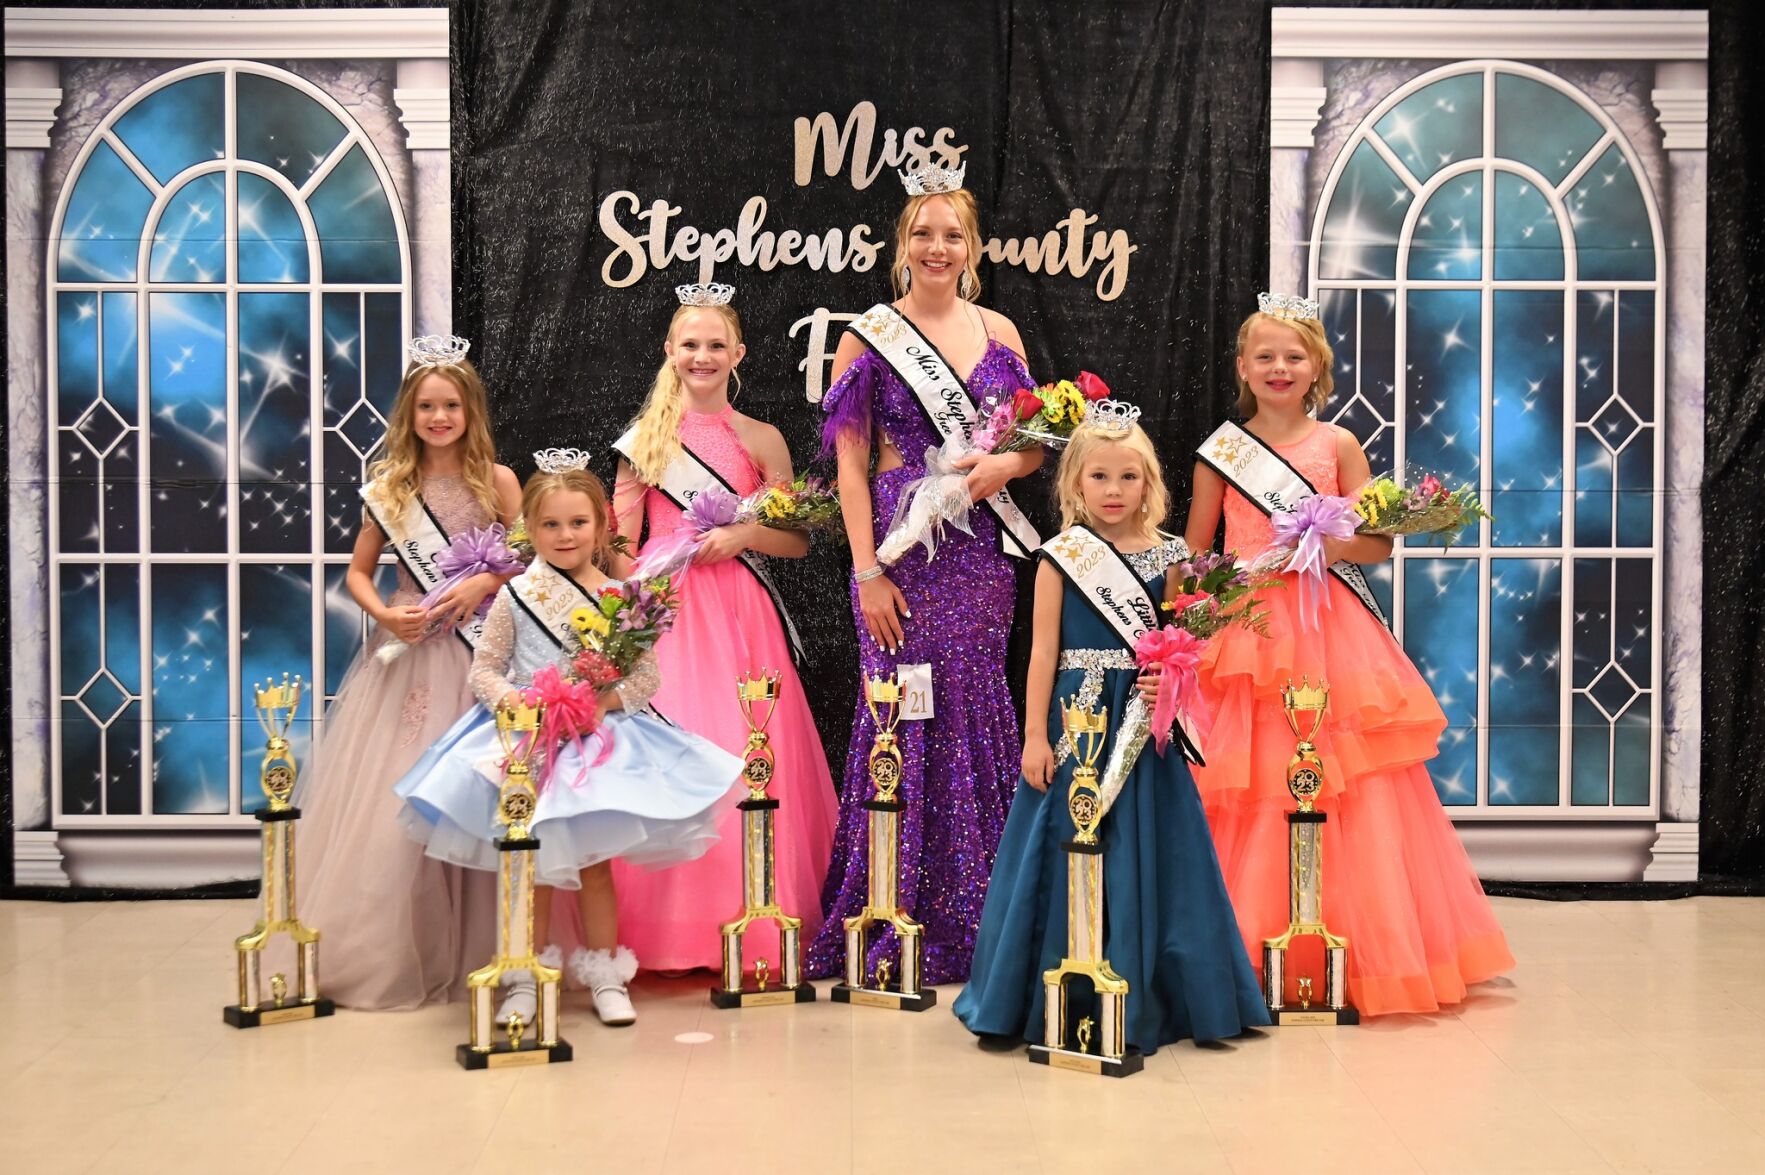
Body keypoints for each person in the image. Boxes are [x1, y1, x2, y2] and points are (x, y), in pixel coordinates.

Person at [1186, 294, 1515, 1016]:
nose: (1278, 367)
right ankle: (1243, 946)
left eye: (1293, 356)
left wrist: (1320, 541)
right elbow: (1196, 550)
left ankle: (1355, 949)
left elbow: (1376, 542)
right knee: (1251, 781)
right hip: (1247, 634)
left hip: (1327, 624)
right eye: (1264, 356)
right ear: (1242, 366)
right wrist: (1192, 616)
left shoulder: (1336, 445)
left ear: (1317, 369)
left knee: (1345, 782)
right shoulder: (1220, 451)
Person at [954, 406, 1268, 1050]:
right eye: (1099, 476)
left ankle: (1161, 991)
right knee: (1066, 839)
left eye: (1129, 477)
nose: (1115, 490)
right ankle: (1053, 987)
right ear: (1074, 484)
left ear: (1149, 483)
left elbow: (1186, 640)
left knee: (1154, 846)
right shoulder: (1059, 558)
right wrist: (1034, 739)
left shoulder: (1175, 557)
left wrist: (1171, 680)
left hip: (1144, 724)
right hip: (1074, 720)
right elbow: (1041, 654)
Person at [806, 159, 1045, 986]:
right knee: (897, 716)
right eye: (922, 233)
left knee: (976, 708)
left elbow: (1036, 442)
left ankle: (982, 910)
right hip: (899, 554)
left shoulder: (1002, 333)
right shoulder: (866, 335)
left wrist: (999, 473)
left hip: (977, 551)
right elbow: (849, 467)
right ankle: (889, 904)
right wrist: (867, 570)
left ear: (972, 246)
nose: (936, 247)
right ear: (901, 244)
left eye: (952, 234)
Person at [395, 458, 740, 1025]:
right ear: (529, 528)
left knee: (597, 866)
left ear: (601, 527)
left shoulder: (621, 597)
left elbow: (646, 677)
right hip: (526, 740)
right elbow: (485, 670)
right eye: (550, 525)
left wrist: (597, 704)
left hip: (595, 743)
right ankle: (525, 977)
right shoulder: (513, 596)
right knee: (528, 864)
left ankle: (606, 975)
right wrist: (522, 705)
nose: (565, 536)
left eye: (578, 523)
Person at [283, 336, 519, 1010]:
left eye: (450, 405)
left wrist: (481, 585)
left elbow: (530, 560)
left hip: (483, 649)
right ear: (409, 413)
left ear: (470, 409)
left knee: (479, 796)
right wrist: (386, 614)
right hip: (413, 651)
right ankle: (393, 948)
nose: (438, 417)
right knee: (401, 804)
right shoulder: (391, 486)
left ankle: (489, 948)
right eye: (426, 406)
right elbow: (358, 573)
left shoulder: (497, 481)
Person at [607, 285, 837, 972]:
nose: (701, 356)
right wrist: (626, 609)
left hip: (739, 612)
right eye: (689, 345)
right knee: (667, 758)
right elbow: (618, 546)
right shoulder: (643, 439)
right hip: (665, 616)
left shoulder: (761, 438)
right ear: (668, 352)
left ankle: (752, 922)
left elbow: (796, 542)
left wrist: (743, 535)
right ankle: (660, 930)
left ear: (737, 354)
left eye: (714, 345)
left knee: (746, 758)